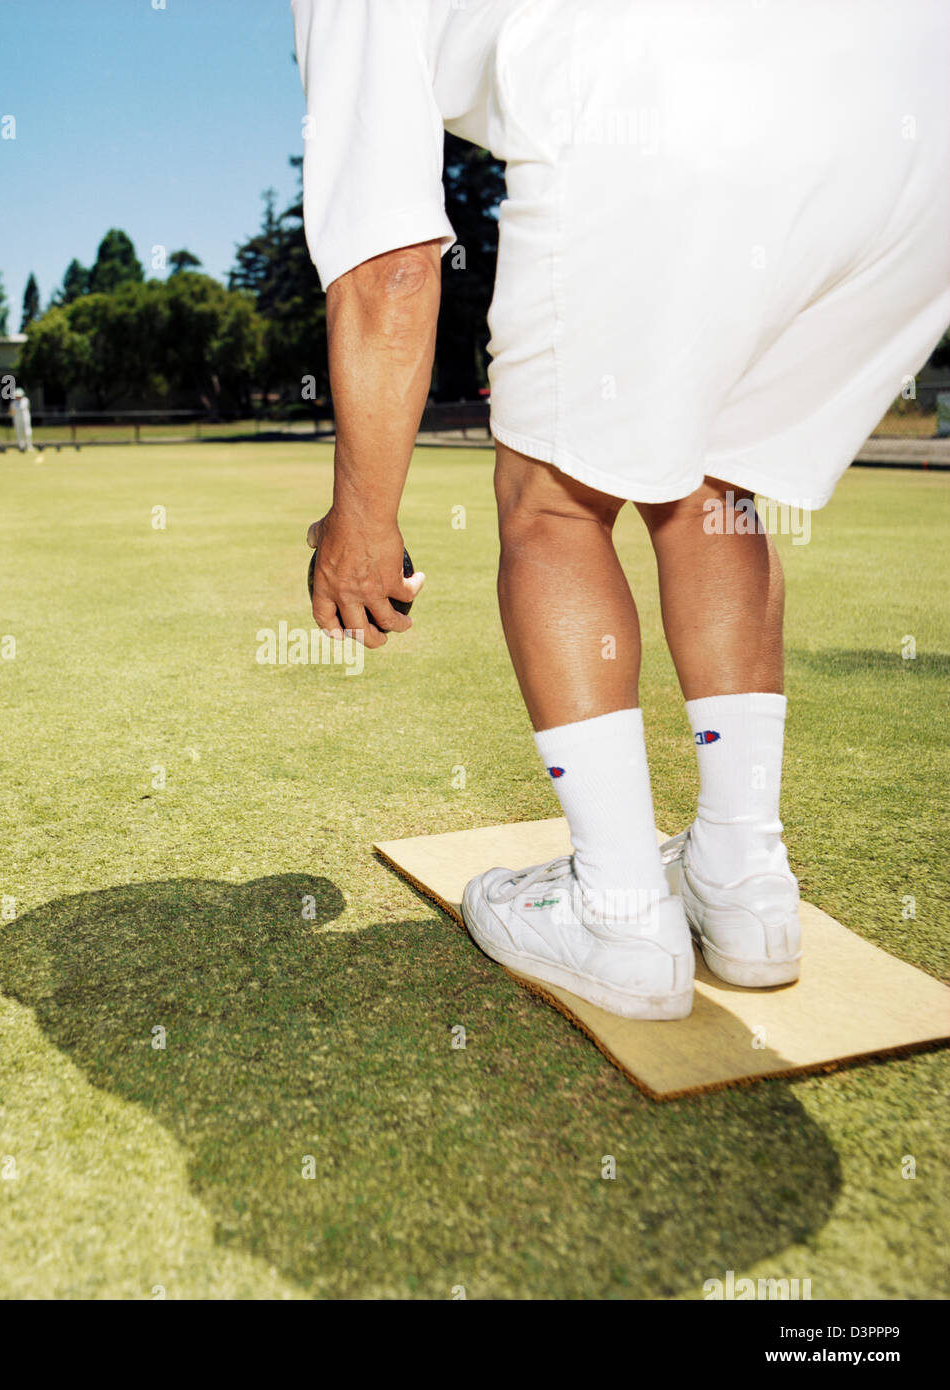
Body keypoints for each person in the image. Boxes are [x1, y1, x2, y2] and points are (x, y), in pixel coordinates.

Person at [291, 0, 950, 1020]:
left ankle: (619, 908)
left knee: (554, 500)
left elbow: (391, 267)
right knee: (708, 479)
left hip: (665, 114)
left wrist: (360, 520)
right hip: (910, 115)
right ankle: (744, 878)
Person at [9, 387, 33, 452]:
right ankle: (21, 446)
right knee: (18, 432)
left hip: (25, 417)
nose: (18, 397)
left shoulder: (26, 400)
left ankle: (29, 445)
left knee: (27, 431)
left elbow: (25, 408)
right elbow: (11, 411)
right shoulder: (13, 403)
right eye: (17, 396)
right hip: (17, 418)